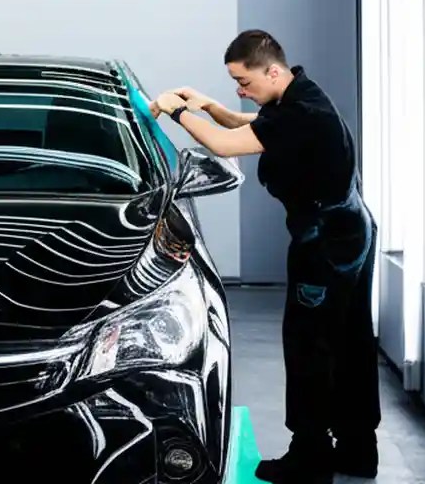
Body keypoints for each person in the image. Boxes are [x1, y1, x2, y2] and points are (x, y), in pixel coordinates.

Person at [149, 30, 380, 484]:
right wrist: (206, 105)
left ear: (272, 71)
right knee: (350, 340)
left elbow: (224, 145)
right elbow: (245, 122)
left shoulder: (302, 113)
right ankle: (357, 448)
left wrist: (176, 112)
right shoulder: (298, 98)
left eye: (243, 80)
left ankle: (310, 454)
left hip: (326, 243)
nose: (240, 90)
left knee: (310, 342)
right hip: (350, 232)